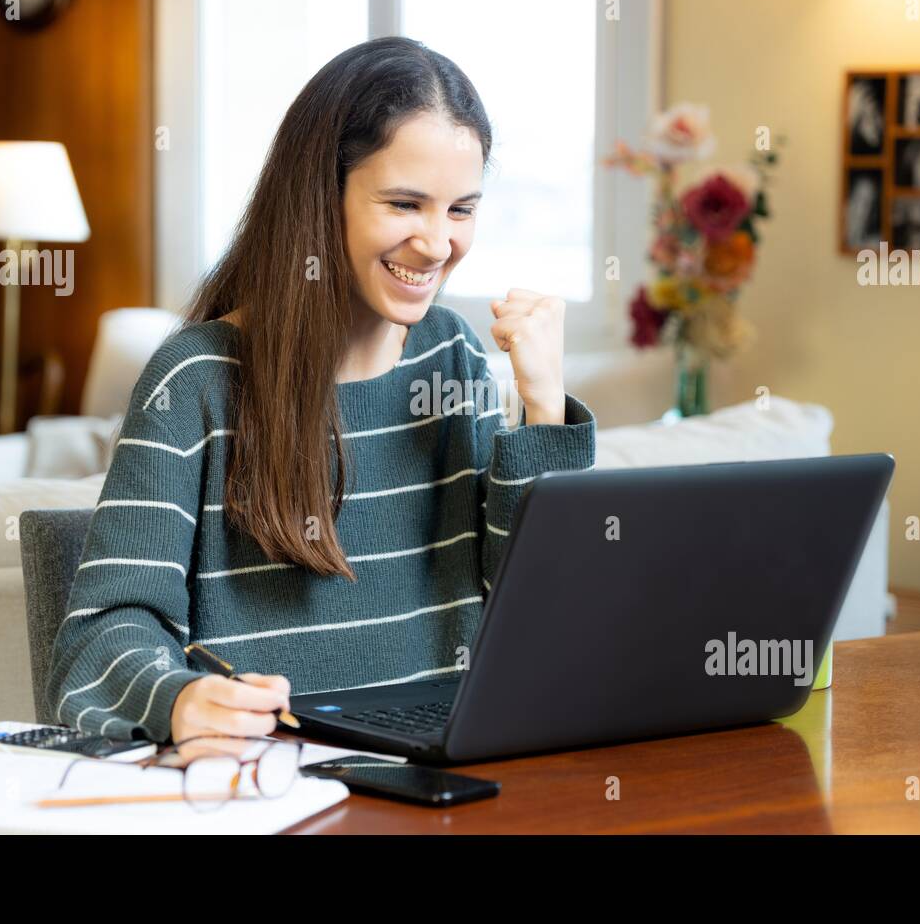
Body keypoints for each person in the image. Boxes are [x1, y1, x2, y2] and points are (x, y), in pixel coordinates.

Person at [45, 37, 597, 761]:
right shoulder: (195, 384)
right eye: (405, 204)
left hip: (452, 773)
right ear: (320, 194)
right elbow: (97, 639)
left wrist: (542, 407)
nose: (437, 243)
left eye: (461, 209)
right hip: (283, 784)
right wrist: (179, 698)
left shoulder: (454, 359)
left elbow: (540, 616)